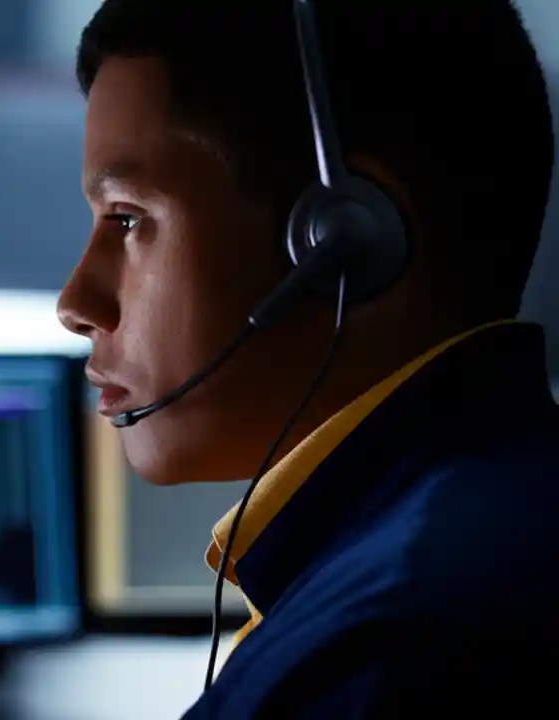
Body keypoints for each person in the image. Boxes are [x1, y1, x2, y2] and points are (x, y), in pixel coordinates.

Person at [56, 0, 558, 716]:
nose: (77, 301)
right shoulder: (495, 520)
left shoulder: (385, 644)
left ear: (342, 242)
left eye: (128, 218)